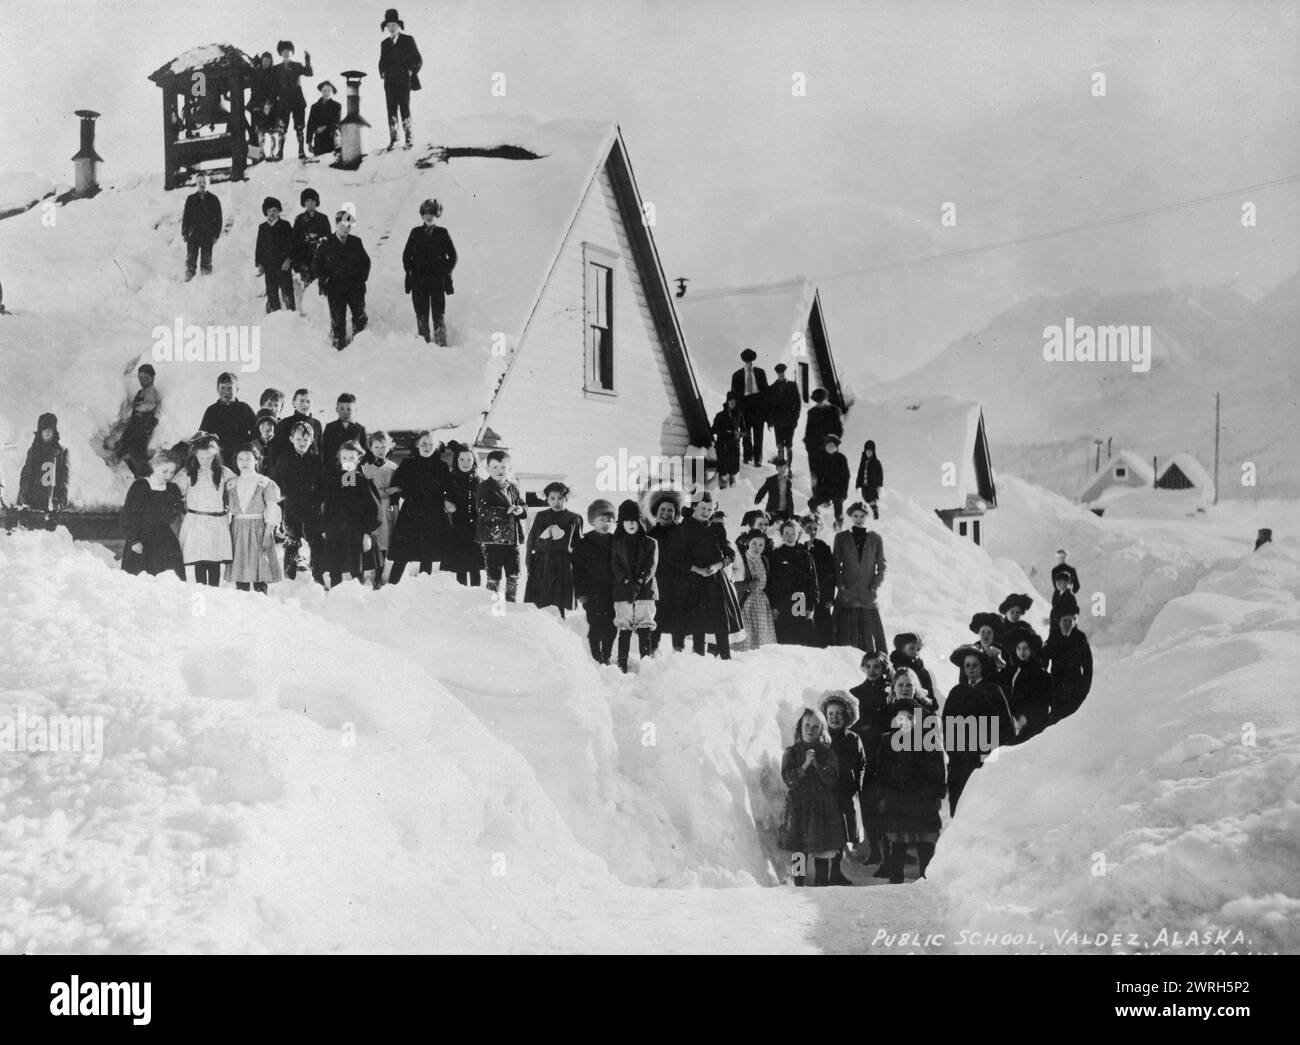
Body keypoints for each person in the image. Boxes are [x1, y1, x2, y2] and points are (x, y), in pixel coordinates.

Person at [870, 669, 946, 883]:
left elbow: (938, 772)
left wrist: (930, 793)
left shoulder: (929, 742)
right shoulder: (887, 741)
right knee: (898, 843)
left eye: (909, 717)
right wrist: (886, 794)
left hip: (923, 800)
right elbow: (881, 771)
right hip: (898, 800)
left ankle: (926, 878)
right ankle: (895, 878)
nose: (904, 721)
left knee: (924, 842)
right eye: (900, 717)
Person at [943, 644, 1016, 815]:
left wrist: (993, 752)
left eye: (974, 665)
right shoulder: (957, 692)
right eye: (967, 665)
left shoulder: (992, 690)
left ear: (982, 667)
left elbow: (1005, 725)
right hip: (960, 758)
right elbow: (947, 724)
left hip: (984, 755)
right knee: (959, 802)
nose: (971, 669)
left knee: (981, 805)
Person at [779, 707, 846, 887]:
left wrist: (817, 765)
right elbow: (788, 778)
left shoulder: (827, 752)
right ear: (800, 727)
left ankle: (822, 886)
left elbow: (832, 778)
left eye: (816, 727)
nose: (810, 730)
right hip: (799, 808)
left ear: (821, 731)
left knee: (821, 848)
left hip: (821, 808)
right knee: (799, 849)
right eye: (807, 725)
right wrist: (804, 766)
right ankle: (798, 885)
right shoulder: (791, 752)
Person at [849, 649, 895, 872]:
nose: (873, 670)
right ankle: (875, 849)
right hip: (865, 756)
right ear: (863, 668)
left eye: (877, 666)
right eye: (868, 666)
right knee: (867, 804)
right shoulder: (855, 694)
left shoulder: (891, 694)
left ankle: (890, 852)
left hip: (887, 756)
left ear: (884, 668)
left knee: (887, 803)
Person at [680, 492, 740, 659]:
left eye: (710, 509)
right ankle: (700, 660)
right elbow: (678, 558)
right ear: (694, 506)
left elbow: (730, 554)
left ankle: (726, 658)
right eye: (703, 508)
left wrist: (717, 565)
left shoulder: (717, 528)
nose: (706, 512)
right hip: (694, 581)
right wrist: (697, 570)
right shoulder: (684, 528)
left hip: (715, 581)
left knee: (721, 622)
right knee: (698, 624)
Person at [318, 441, 381, 588]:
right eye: (344, 458)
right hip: (336, 531)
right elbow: (327, 506)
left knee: (355, 568)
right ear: (339, 459)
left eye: (352, 458)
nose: (348, 462)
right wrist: (325, 528)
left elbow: (374, 509)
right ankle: (335, 596)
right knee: (335, 569)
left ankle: (354, 597)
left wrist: (367, 533)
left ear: (358, 459)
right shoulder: (334, 481)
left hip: (355, 532)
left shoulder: (363, 482)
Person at [388, 429, 448, 583]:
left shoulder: (441, 466)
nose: (427, 447)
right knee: (402, 554)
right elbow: (397, 485)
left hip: (433, 514)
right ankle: (392, 586)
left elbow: (447, 489)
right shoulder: (408, 464)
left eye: (430, 444)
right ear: (417, 445)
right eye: (424, 444)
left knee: (426, 555)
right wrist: (400, 491)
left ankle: (424, 587)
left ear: (436, 446)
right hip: (411, 512)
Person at [269, 420, 325, 580]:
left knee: (316, 542)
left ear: (311, 440)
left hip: (312, 508)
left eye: (306, 440)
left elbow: (323, 484)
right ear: (291, 439)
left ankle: (318, 575)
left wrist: (318, 501)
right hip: (292, 507)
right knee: (291, 542)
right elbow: (274, 482)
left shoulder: (317, 460)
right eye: (299, 439)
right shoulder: (284, 459)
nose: (302, 443)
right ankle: (289, 575)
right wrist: (282, 496)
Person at [175, 434, 234, 586]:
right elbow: (173, 490)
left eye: (209, 457)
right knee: (199, 559)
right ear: (195, 456)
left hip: (217, 521)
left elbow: (238, 489)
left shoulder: (224, 472)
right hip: (196, 521)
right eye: (202, 458)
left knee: (214, 560)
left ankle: (214, 592)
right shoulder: (188, 473)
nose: (206, 461)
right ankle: (201, 591)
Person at [820, 691, 865, 886]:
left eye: (839, 714)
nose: (834, 718)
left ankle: (835, 872)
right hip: (824, 795)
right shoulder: (821, 739)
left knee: (839, 835)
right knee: (821, 835)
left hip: (844, 793)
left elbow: (861, 764)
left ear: (846, 716)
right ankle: (821, 876)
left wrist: (857, 784)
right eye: (830, 714)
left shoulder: (853, 739)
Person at [224, 444, 282, 592]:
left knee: (260, 570)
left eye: (248, 459)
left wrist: (268, 533)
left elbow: (272, 509)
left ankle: (262, 605)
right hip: (237, 530)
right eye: (240, 459)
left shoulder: (264, 482)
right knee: (241, 573)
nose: (244, 463)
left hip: (258, 529)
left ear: (256, 460)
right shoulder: (231, 484)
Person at [119, 449, 184, 579]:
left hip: (165, 540)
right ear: (154, 466)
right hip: (142, 539)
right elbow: (129, 515)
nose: (168, 475)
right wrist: (134, 541)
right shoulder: (140, 486)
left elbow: (176, 514)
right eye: (165, 471)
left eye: (172, 472)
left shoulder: (173, 489)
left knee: (169, 579)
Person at [832, 501, 887, 653]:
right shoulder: (841, 537)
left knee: (870, 637)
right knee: (847, 636)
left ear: (867, 516)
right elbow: (836, 564)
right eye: (855, 516)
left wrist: (874, 585)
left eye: (862, 516)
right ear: (850, 516)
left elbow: (882, 566)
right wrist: (841, 585)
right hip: (847, 595)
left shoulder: (876, 538)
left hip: (867, 595)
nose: (858, 519)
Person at [610, 499, 658, 672]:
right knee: (625, 626)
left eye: (633, 520)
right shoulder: (616, 543)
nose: (630, 524)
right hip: (623, 592)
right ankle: (622, 663)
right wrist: (626, 581)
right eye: (626, 520)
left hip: (645, 592)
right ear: (621, 522)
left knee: (644, 626)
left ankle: (646, 663)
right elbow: (615, 565)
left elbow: (651, 566)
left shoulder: (651, 543)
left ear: (639, 521)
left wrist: (638, 582)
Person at [402, 198, 457, 345]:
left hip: (437, 281)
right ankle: (423, 342)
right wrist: (411, 271)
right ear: (422, 214)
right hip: (419, 281)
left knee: (438, 313)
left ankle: (440, 343)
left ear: (437, 215)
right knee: (421, 313)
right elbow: (406, 255)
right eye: (426, 213)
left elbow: (453, 256)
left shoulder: (442, 233)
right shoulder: (415, 232)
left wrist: (444, 271)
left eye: (432, 213)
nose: (429, 216)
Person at [315, 203, 370, 349]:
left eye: (349, 225)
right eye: (343, 225)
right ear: (336, 224)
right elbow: (317, 265)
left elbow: (366, 261)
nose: (346, 228)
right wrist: (325, 280)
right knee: (338, 317)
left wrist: (361, 279)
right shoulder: (326, 243)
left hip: (355, 287)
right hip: (335, 288)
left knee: (359, 314)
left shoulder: (356, 242)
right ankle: (339, 343)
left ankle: (360, 342)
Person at [524, 482, 583, 616]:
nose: (556, 502)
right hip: (542, 563)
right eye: (552, 498)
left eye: (560, 498)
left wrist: (578, 569)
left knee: (559, 601)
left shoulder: (574, 518)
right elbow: (531, 542)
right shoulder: (541, 517)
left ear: (565, 498)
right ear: (547, 499)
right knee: (541, 601)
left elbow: (578, 546)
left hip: (563, 564)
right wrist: (529, 565)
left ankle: (560, 627)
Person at [475, 450, 527, 602]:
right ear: (488, 469)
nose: (500, 471)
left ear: (509, 469)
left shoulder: (514, 487)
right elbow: (482, 510)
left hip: (511, 539)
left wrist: (520, 509)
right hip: (492, 539)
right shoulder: (484, 487)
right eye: (495, 467)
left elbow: (523, 504)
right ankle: (493, 605)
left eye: (503, 467)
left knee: (514, 573)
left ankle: (511, 602)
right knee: (494, 575)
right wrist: (506, 511)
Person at [573, 499, 618, 664]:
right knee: (595, 625)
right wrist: (581, 593)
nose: (606, 523)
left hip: (612, 592)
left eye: (609, 520)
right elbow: (577, 569)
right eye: (601, 520)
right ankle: (596, 657)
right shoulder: (583, 541)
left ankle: (606, 655)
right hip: (592, 592)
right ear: (592, 521)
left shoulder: (616, 541)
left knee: (612, 626)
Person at [646, 490, 688, 653]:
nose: (665, 513)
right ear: (656, 512)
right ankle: (652, 653)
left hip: (679, 584)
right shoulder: (651, 534)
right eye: (662, 509)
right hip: (658, 584)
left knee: (679, 621)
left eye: (670, 510)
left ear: (676, 514)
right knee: (656, 619)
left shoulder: (682, 532)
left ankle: (679, 654)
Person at [1043, 596, 1093, 725]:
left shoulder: (1080, 638)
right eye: (1064, 621)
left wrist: (1084, 688)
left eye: (1069, 621)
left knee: (1074, 724)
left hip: (1075, 689)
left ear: (1074, 622)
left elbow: (1088, 666)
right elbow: (1043, 661)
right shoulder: (1053, 638)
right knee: (1055, 724)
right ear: (1059, 622)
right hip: (1057, 689)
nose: (1066, 624)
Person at [439, 441, 483, 587]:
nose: (465, 463)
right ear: (456, 461)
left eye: (468, 459)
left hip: (475, 528)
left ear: (474, 461)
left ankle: (476, 593)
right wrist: (445, 502)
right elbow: (440, 495)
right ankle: (463, 595)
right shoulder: (451, 479)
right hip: (457, 528)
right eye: (461, 459)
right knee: (460, 566)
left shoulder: (479, 481)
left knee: (475, 566)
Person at [767, 519, 818, 645]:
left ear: (798, 535)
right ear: (781, 534)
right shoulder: (776, 555)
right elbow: (771, 582)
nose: (789, 537)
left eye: (793, 533)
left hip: (801, 603)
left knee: (800, 641)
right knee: (783, 640)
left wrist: (811, 606)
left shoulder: (806, 556)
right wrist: (773, 606)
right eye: (786, 533)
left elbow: (813, 582)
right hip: (782, 604)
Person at [378, 8, 423, 149]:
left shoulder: (407, 40)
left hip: (404, 80)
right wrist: (382, 71)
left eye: (394, 25)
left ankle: (409, 138)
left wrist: (410, 71)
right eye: (389, 26)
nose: (391, 28)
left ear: (399, 25)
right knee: (391, 109)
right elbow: (382, 61)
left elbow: (418, 59)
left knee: (404, 107)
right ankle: (394, 139)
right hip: (389, 81)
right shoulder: (385, 43)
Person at [360, 431, 400, 587]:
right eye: (376, 447)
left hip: (387, 509)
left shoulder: (393, 467)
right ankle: (372, 574)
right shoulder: (365, 468)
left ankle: (384, 575)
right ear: (370, 448)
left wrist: (392, 493)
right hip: (371, 510)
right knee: (372, 542)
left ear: (389, 448)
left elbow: (398, 490)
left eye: (383, 447)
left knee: (386, 543)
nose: (380, 450)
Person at [198, 372, 257, 464]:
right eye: (223, 387)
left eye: (230, 388)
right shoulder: (211, 410)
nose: (226, 391)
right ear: (217, 389)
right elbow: (203, 433)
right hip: (218, 457)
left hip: (240, 457)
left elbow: (257, 431)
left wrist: (246, 445)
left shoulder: (244, 408)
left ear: (237, 389)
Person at [114, 363, 161, 476]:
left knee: (137, 452)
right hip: (135, 424)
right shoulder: (141, 391)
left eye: (146, 377)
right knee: (124, 445)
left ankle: (145, 477)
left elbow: (150, 406)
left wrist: (137, 407)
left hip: (143, 426)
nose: (142, 380)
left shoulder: (151, 391)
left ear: (152, 377)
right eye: (140, 377)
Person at [290, 188, 331, 313]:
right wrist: (297, 261)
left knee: (321, 284)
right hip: (305, 259)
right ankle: (309, 311)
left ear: (316, 202)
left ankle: (322, 310)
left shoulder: (323, 218)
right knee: (308, 285)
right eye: (307, 201)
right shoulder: (299, 219)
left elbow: (328, 237)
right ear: (304, 203)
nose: (310, 204)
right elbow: (295, 240)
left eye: (312, 201)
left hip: (319, 257)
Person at [735, 528, 777, 650]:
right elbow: (731, 583)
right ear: (748, 542)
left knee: (762, 643)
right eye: (754, 543)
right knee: (746, 641)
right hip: (745, 603)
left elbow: (769, 585)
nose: (757, 547)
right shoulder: (740, 559)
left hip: (762, 605)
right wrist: (748, 585)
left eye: (761, 545)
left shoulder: (764, 560)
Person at [1006, 637, 1052, 742]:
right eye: (1019, 648)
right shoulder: (1017, 671)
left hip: (1036, 723)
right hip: (1020, 723)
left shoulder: (1041, 673)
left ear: (1031, 650)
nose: (1022, 652)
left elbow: (1043, 701)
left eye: (1025, 648)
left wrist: (1026, 717)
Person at [800, 513, 836, 648]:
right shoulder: (799, 546)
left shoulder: (823, 547)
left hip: (822, 595)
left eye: (815, 529)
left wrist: (830, 598)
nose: (812, 532)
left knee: (823, 633)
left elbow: (831, 575)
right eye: (809, 528)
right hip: (803, 596)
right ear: (802, 528)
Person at [255, 196, 295, 312]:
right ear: (265, 212)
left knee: (287, 291)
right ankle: (273, 314)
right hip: (269, 267)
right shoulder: (262, 228)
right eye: (269, 211)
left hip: (283, 266)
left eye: (274, 210)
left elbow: (291, 245)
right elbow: (259, 247)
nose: (272, 213)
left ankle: (291, 314)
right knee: (271, 291)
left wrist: (288, 259)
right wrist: (259, 263)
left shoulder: (285, 225)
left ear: (279, 211)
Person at [729, 348, 769, 465]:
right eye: (747, 362)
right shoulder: (737, 375)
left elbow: (766, 392)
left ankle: (757, 459)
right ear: (744, 362)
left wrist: (765, 410)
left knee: (758, 434)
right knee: (745, 433)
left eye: (751, 362)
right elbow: (733, 395)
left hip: (757, 406)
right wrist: (736, 412)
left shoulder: (760, 373)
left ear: (753, 361)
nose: (749, 364)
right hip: (744, 406)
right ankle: (747, 458)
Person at [181, 171, 222, 281]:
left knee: (206, 260)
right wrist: (185, 232)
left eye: (204, 182)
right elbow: (186, 217)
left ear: (207, 183)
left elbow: (219, 219)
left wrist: (216, 235)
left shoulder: (214, 199)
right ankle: (188, 280)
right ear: (196, 183)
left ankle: (206, 281)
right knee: (191, 259)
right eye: (200, 182)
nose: (202, 184)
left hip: (207, 235)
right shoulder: (191, 199)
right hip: (193, 234)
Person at [269, 388, 323, 463]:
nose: (305, 404)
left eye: (308, 401)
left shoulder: (316, 424)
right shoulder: (285, 423)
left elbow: (320, 451)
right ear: (294, 402)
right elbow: (276, 451)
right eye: (301, 401)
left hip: (312, 468)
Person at [808, 432, 850, 528]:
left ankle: (839, 521)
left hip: (838, 489)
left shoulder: (841, 458)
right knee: (812, 502)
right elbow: (817, 477)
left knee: (837, 502)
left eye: (832, 446)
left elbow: (846, 476)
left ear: (836, 447)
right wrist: (818, 493)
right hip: (825, 489)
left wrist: (843, 493)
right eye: (828, 446)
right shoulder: (822, 458)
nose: (830, 448)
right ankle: (816, 517)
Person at [321, 393, 369, 470]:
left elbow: (365, 452)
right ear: (337, 409)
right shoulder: (330, 427)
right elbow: (325, 451)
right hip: (333, 471)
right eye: (342, 408)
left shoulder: (360, 429)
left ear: (355, 410)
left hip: (353, 471)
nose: (345, 412)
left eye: (349, 409)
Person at [767, 363, 802, 464]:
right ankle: (782, 467)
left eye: (782, 372)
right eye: (779, 373)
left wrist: (796, 418)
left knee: (789, 446)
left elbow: (797, 404)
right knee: (779, 445)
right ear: (777, 374)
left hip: (790, 421)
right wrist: (770, 421)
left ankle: (788, 468)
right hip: (778, 422)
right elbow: (770, 406)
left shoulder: (792, 386)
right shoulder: (773, 388)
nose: (781, 374)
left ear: (784, 372)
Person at [803, 388, 841, 476]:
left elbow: (838, 430)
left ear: (826, 399)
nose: (820, 403)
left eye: (821, 400)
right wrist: (808, 446)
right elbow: (808, 431)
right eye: (817, 401)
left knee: (830, 476)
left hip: (829, 449)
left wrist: (832, 443)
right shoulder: (811, 412)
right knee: (815, 475)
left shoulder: (833, 411)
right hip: (814, 450)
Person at [710, 393, 744, 488]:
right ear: (727, 401)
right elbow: (713, 430)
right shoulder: (720, 415)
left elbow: (744, 430)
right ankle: (722, 478)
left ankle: (732, 477)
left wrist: (739, 434)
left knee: (733, 463)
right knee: (722, 462)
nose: (732, 403)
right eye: (730, 401)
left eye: (734, 401)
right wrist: (724, 431)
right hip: (722, 443)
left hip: (733, 443)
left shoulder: (739, 415)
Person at [889, 632, 936, 700]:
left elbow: (929, 698)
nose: (916, 652)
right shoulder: (892, 670)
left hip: (917, 707)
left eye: (918, 649)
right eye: (912, 648)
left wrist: (919, 708)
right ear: (901, 648)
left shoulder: (922, 671)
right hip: (897, 708)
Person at [968, 611, 1009, 680]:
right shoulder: (973, 649)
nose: (985, 636)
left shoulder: (1001, 650)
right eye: (983, 632)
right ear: (979, 633)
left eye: (989, 632)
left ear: (993, 634)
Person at [306, 81, 341, 158]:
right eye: (324, 90)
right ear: (321, 91)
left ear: (332, 92)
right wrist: (309, 143)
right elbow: (310, 124)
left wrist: (325, 127)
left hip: (331, 139)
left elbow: (336, 122)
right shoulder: (315, 107)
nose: (326, 93)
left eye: (329, 90)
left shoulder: (337, 106)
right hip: (319, 141)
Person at [998, 593, 1041, 657]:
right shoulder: (998, 626)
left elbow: (1037, 644)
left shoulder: (1025, 627)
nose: (1015, 615)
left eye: (1018, 612)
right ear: (1006, 612)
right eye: (1012, 612)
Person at [1049, 558, 1082, 632]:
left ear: (1067, 583)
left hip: (1065, 626)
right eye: (1058, 582)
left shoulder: (1069, 596)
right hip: (1055, 625)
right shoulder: (1056, 594)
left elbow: (1074, 609)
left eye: (1062, 582)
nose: (1060, 584)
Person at [854, 439, 884, 519]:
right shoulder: (863, 462)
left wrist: (879, 485)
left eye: (870, 451)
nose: (868, 453)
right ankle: (869, 512)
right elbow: (860, 473)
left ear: (873, 452)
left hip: (873, 485)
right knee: (866, 499)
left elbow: (880, 475)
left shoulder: (876, 462)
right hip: (864, 485)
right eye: (867, 451)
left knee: (872, 499)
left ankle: (875, 513)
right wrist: (857, 485)